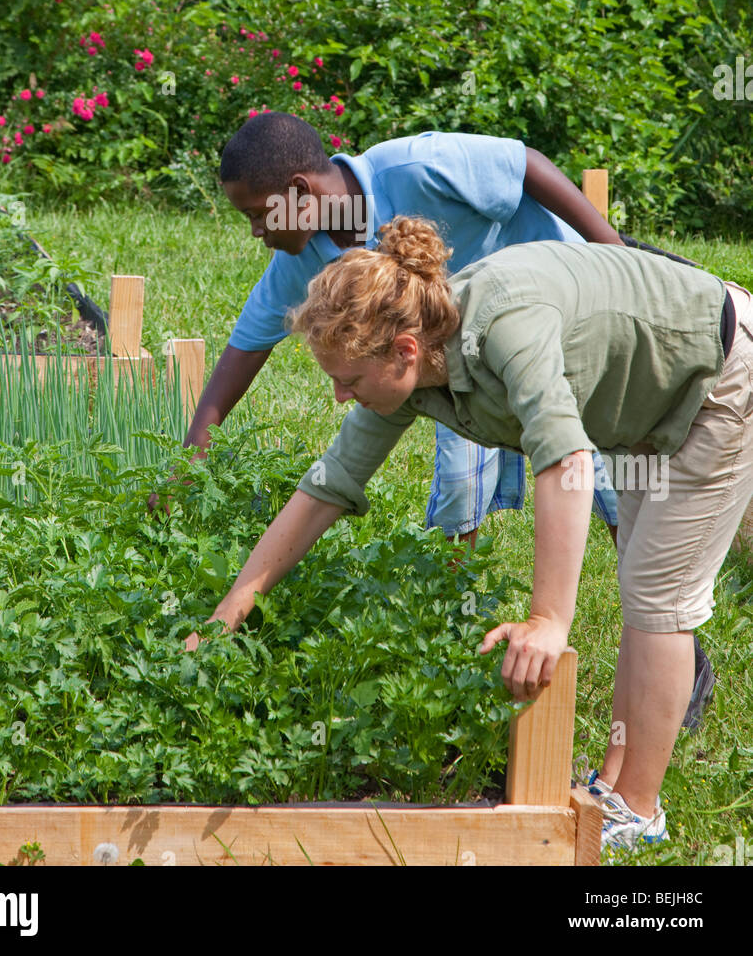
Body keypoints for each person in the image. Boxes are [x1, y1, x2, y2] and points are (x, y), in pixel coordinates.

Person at [184, 216, 752, 850]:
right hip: (647, 400)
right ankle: (611, 789)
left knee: (659, 599)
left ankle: (638, 811)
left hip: (715, 376)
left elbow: (565, 463)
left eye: (348, 380)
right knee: (642, 587)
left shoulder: (507, 330)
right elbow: (327, 488)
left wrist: (547, 620)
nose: (339, 397)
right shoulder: (406, 371)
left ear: (403, 350)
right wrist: (228, 612)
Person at [172, 111, 714, 734]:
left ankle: (671, 651)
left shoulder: (413, 167)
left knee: (622, 497)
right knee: (461, 495)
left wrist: (611, 254)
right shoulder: (308, 264)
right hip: (450, 376)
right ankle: (455, 627)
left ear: (297, 193)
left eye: (256, 215)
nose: (254, 233)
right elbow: (254, 360)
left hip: (568, 339)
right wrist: (194, 464)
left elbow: (525, 166)